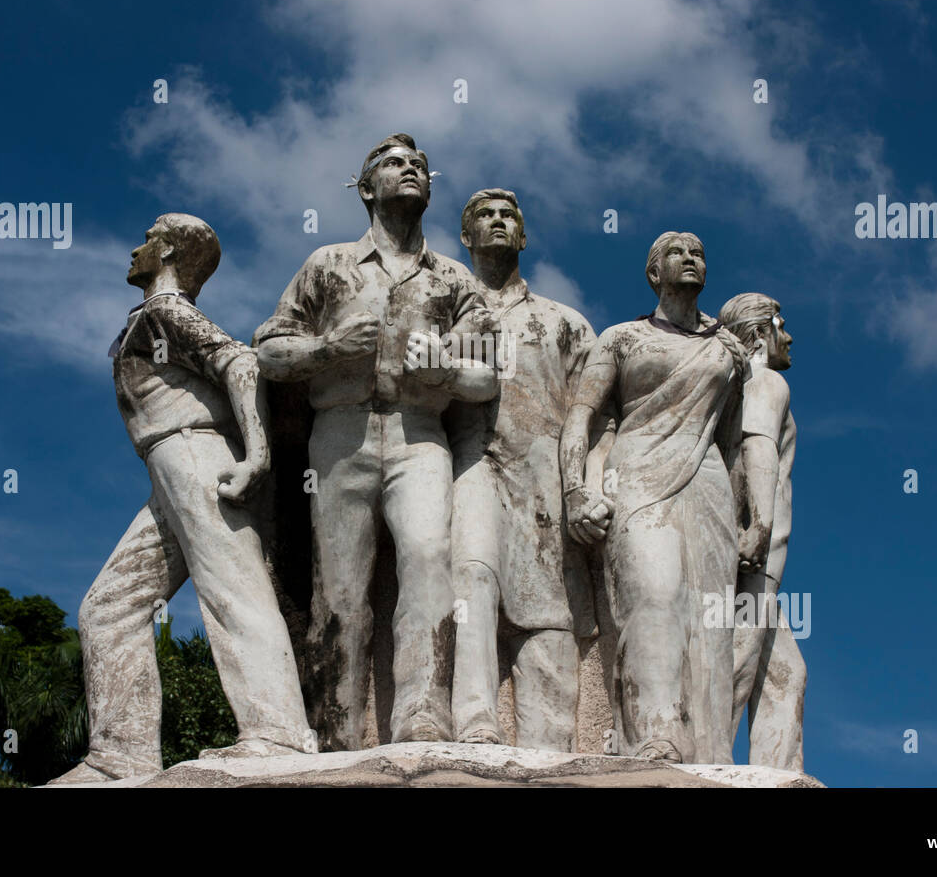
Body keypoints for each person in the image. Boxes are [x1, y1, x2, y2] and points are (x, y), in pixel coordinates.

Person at [254, 134, 497, 750]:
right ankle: (337, 730)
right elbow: (269, 352)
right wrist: (327, 350)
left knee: (427, 562)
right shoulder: (327, 264)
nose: (410, 169)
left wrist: (441, 368)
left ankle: (422, 716)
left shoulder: (451, 277)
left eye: (419, 165)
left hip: (420, 436)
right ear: (366, 188)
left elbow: (487, 373)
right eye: (394, 164)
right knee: (338, 587)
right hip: (339, 435)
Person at [50, 213, 311, 784]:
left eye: (146, 238)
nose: (135, 247)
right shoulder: (150, 314)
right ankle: (120, 757)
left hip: (198, 455)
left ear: (168, 249)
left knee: (232, 590)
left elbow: (240, 363)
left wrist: (257, 456)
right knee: (108, 608)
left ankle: (280, 734)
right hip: (168, 467)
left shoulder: (164, 311)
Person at [559, 231, 747, 763]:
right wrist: (577, 490)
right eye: (677, 252)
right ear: (653, 273)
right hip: (637, 476)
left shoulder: (728, 348)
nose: (690, 257)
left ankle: (711, 751)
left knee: (710, 618)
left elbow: (734, 443)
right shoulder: (622, 338)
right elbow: (580, 418)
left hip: (707, 482)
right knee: (654, 596)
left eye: (699, 251)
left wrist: (750, 518)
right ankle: (654, 733)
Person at [447, 188, 609, 751]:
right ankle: (473, 723)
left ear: (523, 235)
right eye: (484, 217)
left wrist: (586, 486)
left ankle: (550, 757)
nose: (497, 222)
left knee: (550, 618)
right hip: (471, 463)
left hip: (546, 481)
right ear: (465, 237)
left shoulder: (564, 322)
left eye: (508, 216)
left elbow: (599, 418)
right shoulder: (445, 310)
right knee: (471, 574)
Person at [721, 292, 806, 770]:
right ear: (759, 333)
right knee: (738, 657)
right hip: (756, 548)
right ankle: (705, 759)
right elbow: (758, 445)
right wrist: (760, 527)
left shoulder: (744, 384)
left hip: (755, 546)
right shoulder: (766, 382)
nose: (789, 337)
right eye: (781, 325)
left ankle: (778, 774)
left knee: (786, 672)